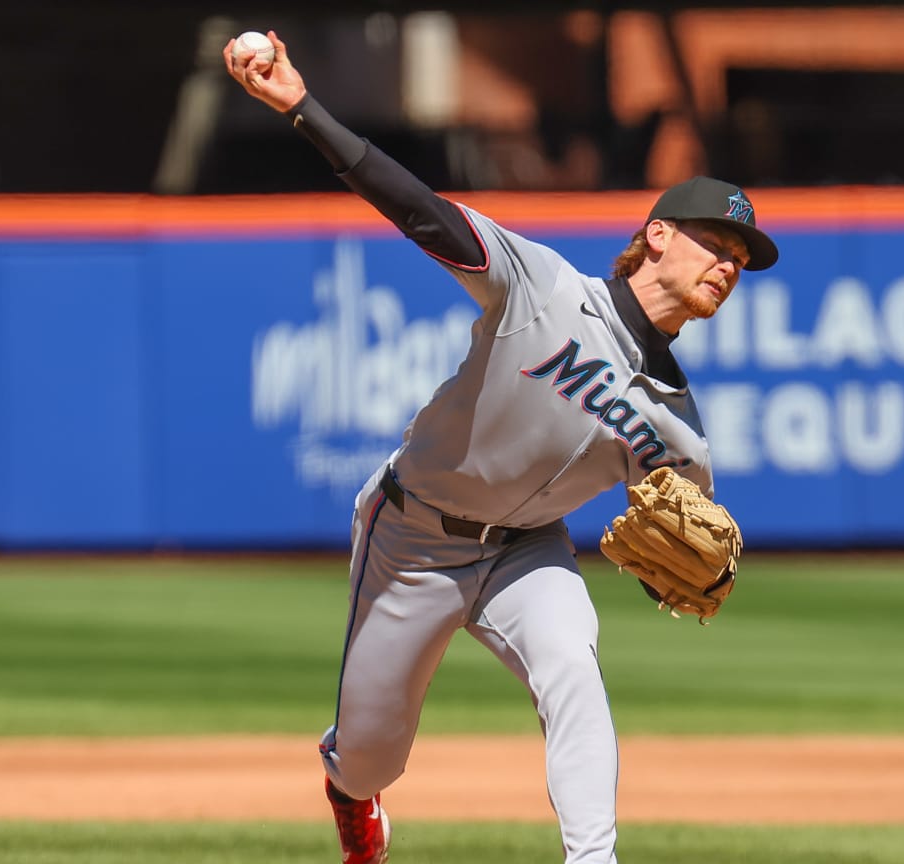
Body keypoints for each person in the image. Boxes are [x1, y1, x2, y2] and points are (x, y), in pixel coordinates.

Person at [223, 30, 778, 864]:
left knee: (572, 662)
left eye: (740, 259)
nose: (729, 265)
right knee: (374, 753)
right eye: (715, 243)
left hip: (528, 552)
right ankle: (349, 787)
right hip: (414, 535)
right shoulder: (542, 285)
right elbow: (418, 208)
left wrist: (719, 563)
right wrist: (301, 107)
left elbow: (694, 529)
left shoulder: (677, 424)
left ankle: (594, 859)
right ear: (658, 235)